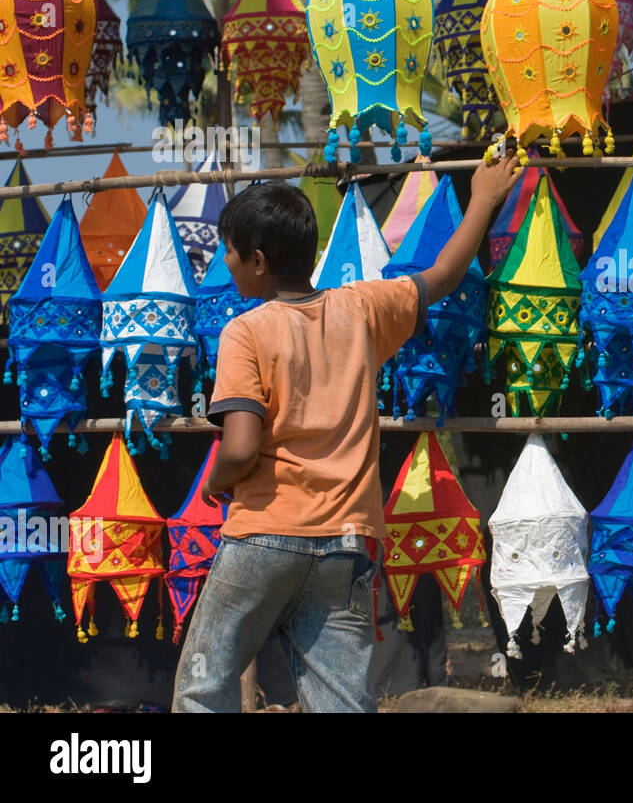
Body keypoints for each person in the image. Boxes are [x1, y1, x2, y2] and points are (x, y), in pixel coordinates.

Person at [172, 153, 522, 713]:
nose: (226, 263)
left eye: (231, 253)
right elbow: (445, 275)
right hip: (347, 543)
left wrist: (215, 483)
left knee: (203, 685)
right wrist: (484, 197)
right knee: (340, 699)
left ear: (259, 261)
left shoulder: (245, 332)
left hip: (265, 535)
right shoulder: (362, 309)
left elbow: (238, 448)